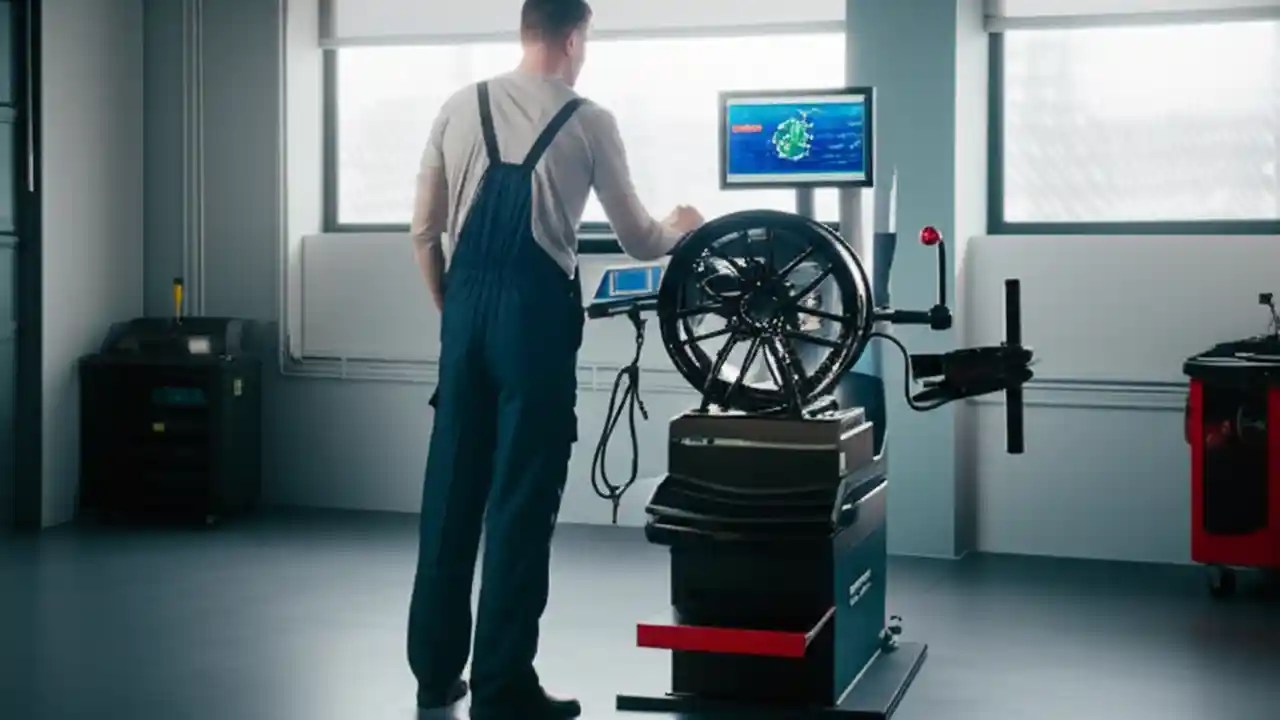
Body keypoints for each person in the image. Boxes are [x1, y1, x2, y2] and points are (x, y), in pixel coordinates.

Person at [405, 1, 705, 717]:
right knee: (520, 501)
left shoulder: (459, 105)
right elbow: (639, 239)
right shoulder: (590, 120)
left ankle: (434, 674)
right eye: (586, 41)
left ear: (526, 32)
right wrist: (683, 226)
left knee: (450, 496)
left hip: (465, 317)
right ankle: (503, 686)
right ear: (573, 39)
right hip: (534, 326)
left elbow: (423, 230)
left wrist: (456, 312)